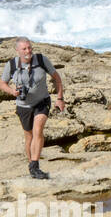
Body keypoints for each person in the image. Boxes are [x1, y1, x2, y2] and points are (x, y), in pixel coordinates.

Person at [2, 38, 65, 179]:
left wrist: (60, 98)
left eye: (29, 48)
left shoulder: (41, 59)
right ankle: (32, 166)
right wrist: (12, 91)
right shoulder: (11, 64)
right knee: (29, 136)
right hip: (23, 106)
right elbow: (2, 83)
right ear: (17, 50)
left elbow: (57, 77)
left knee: (38, 129)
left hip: (42, 101)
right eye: (24, 49)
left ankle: (35, 165)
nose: (28, 51)